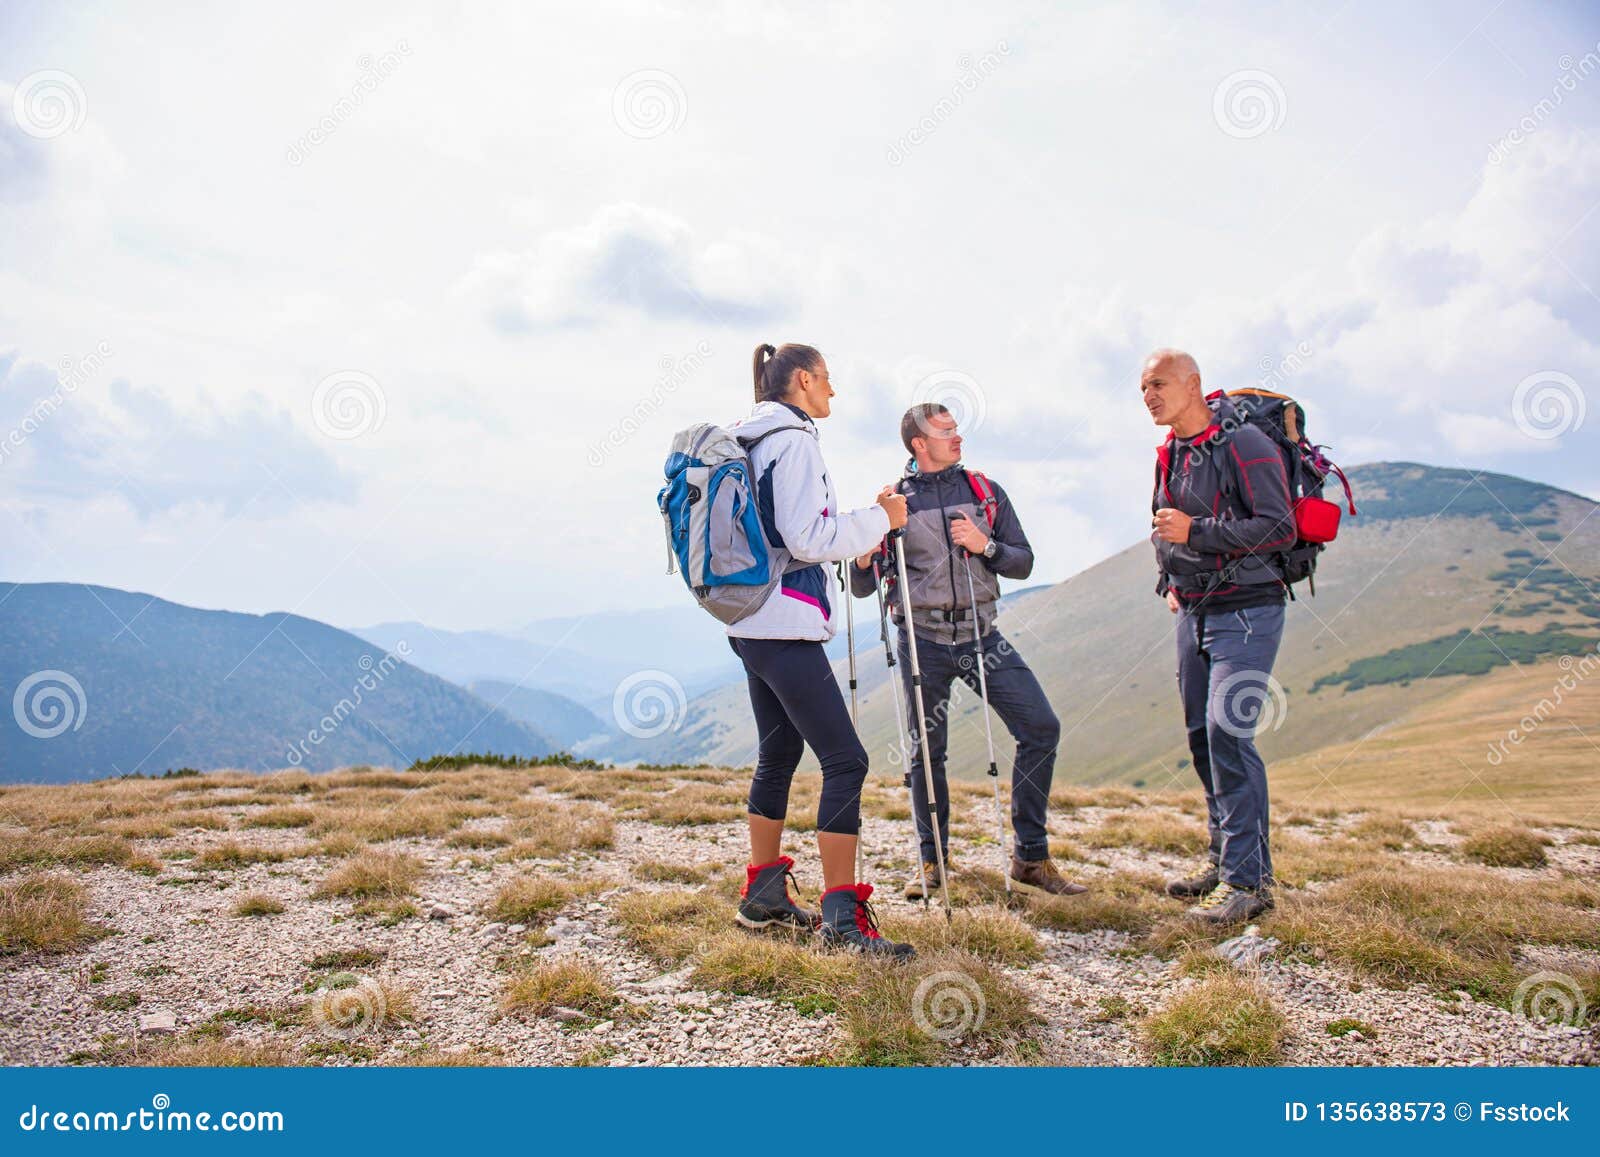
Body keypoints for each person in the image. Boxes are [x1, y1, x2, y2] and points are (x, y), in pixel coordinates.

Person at [851, 403, 1085, 901]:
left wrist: (986, 546)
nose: (957, 437)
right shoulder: (894, 501)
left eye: (956, 428)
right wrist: (865, 552)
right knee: (925, 753)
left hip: (983, 637)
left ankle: (1031, 858)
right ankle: (932, 863)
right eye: (945, 431)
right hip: (922, 641)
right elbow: (861, 586)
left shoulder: (985, 492)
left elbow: (1021, 563)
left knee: (1040, 727)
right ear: (918, 443)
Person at [727, 342, 915, 958]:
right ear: (803, 381)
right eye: (828, 380)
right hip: (783, 619)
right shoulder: (794, 441)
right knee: (846, 761)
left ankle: (763, 895)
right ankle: (842, 922)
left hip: (745, 619)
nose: (834, 391)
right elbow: (808, 537)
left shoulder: (747, 437)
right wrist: (882, 518)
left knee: (778, 751)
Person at [1143, 348, 1295, 925]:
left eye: (1159, 384)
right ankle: (1223, 860)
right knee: (1200, 737)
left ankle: (1248, 884)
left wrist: (1196, 531)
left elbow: (1278, 526)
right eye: (1143, 389)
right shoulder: (1171, 453)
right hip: (1193, 610)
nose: (1150, 396)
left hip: (1249, 609)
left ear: (1193, 384)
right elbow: (1162, 525)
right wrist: (1172, 579)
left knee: (1228, 731)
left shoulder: (1243, 443)